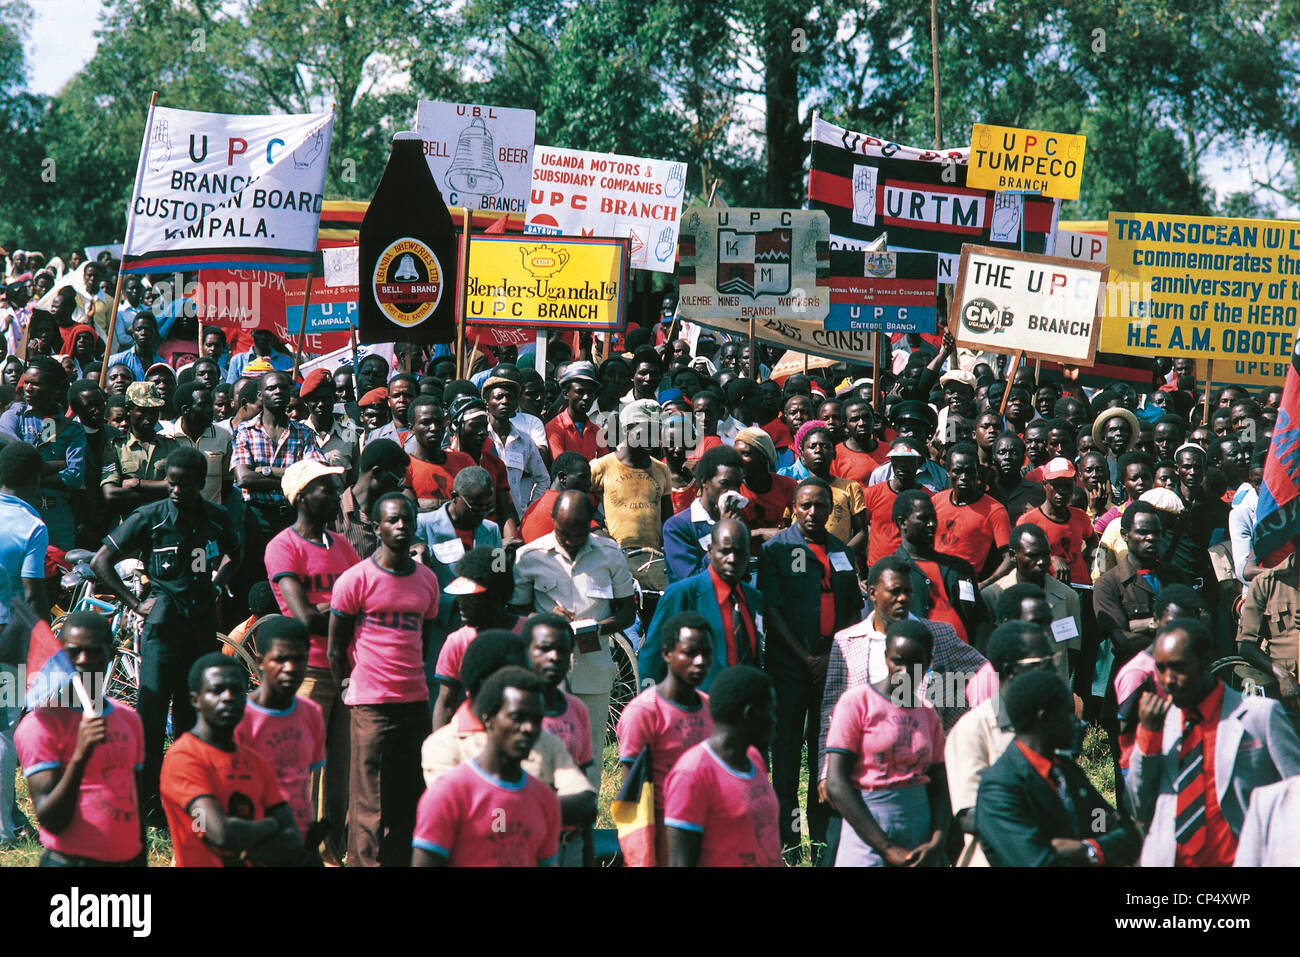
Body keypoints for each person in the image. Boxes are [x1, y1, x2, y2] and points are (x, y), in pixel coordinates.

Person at [92, 447, 241, 823]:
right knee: (152, 709)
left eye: (184, 484)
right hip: (163, 624)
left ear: (200, 483)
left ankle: (188, 799)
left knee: (193, 712)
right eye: (171, 482)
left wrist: (219, 586)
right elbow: (100, 561)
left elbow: (235, 553)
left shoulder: (217, 518)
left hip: (202, 624)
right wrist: (135, 603)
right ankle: (145, 804)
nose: (175, 490)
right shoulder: (151, 517)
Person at [1127, 618, 1300, 866]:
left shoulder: (1259, 716)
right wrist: (1147, 739)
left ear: (1205, 660)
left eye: (1178, 667)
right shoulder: (1160, 724)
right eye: (1161, 668)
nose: (1167, 680)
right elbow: (1138, 806)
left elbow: (1296, 795)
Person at [327, 492, 441, 866]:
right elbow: (335, 648)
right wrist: (349, 686)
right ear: (376, 528)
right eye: (392, 520)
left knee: (409, 796)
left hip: (414, 703)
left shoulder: (426, 580)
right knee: (369, 803)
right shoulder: (355, 580)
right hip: (371, 706)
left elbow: (422, 643)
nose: (402, 526)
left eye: (407, 519)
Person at [759, 478, 862, 862]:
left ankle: (820, 844)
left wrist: (832, 654)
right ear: (794, 508)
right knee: (785, 758)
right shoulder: (776, 550)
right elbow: (772, 611)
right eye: (806, 506)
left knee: (825, 756)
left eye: (821, 506)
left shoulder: (840, 551)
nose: (813, 513)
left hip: (832, 668)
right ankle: (787, 846)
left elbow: (852, 607)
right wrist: (805, 657)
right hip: (789, 667)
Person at [263, 458, 360, 864]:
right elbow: (303, 619)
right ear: (301, 496)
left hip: (350, 670)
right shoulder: (282, 546)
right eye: (326, 487)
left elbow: (364, 603)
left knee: (341, 773)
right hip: (309, 670)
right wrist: (343, 610)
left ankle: (333, 850)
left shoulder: (343, 545)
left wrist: (332, 609)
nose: (336, 494)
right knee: (309, 772)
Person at [510, 489, 634, 789]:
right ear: (553, 521)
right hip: (544, 674)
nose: (570, 540)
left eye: (578, 533)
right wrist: (545, 620)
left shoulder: (609, 554)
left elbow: (627, 612)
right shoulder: (529, 557)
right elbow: (516, 613)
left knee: (587, 754)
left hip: (594, 668)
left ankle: (584, 828)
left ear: (590, 524)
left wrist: (599, 628)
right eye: (564, 532)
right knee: (542, 753)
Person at [15, 612, 144, 866]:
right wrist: (80, 756)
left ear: (110, 654)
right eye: (74, 653)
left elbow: (135, 804)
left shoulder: (129, 719)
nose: (84, 660)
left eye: (94, 651)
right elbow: (51, 820)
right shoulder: (39, 726)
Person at [974, 669, 1141, 866]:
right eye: (1069, 713)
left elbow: (1127, 834)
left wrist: (1085, 849)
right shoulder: (1001, 787)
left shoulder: (1066, 771)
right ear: (1044, 717)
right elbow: (1036, 861)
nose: (1079, 722)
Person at [824, 619, 949, 867]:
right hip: (868, 835)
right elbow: (836, 783)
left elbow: (940, 785)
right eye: (897, 661)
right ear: (886, 657)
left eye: (914, 663)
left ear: (928, 662)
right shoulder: (856, 703)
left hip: (919, 837)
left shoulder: (926, 712)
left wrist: (937, 841)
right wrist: (886, 847)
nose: (904, 671)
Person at [160, 653, 302, 866]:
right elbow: (222, 835)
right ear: (195, 699)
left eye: (236, 690)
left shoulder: (255, 761)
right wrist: (271, 826)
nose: (227, 697)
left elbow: (293, 839)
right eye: (216, 690)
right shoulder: (184, 756)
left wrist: (245, 845)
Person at [412, 667, 561, 867]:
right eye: (517, 717)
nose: (529, 728)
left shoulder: (546, 800)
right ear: (488, 718)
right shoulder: (448, 794)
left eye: (536, 719)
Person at [945, 621, 1057, 867]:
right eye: (1041, 664)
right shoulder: (972, 730)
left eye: (1053, 662)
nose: (1052, 672)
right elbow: (970, 817)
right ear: (1009, 672)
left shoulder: (1048, 721)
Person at [617, 611, 714, 866]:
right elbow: (632, 797)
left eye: (706, 653)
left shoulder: (711, 710)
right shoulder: (644, 713)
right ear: (667, 653)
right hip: (663, 840)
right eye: (690, 653)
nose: (700, 661)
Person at [664, 664, 781, 867]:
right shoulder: (692, 774)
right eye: (770, 712)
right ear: (749, 713)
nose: (774, 721)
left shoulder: (753, 759)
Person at [233, 616, 325, 857]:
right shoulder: (239, 719)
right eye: (280, 660)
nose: (290, 668)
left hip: (299, 837)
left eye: (298, 659)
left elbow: (305, 778)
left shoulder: (311, 713)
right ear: (261, 661)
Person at [641, 519, 763, 689]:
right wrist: (653, 705)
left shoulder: (753, 598)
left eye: (740, 552)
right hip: (696, 708)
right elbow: (652, 658)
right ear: (710, 551)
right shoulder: (683, 594)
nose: (732, 559)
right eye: (725, 551)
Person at [526, 614, 595, 866]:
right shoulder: (511, 711)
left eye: (563, 651)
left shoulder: (577, 709)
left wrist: (588, 851)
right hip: (527, 844)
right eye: (544, 649)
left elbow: (584, 782)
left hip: (571, 843)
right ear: (526, 652)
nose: (554, 657)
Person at [431, 546, 522, 728]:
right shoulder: (457, 642)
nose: (461, 606)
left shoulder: (530, 632)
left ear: (496, 596)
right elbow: (446, 704)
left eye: (471, 598)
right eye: (460, 597)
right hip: (476, 737)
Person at [0, 356, 86, 549]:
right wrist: (56, 466)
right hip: (20, 509)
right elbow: (14, 458)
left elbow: (74, 477)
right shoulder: (14, 416)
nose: (27, 388)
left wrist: (28, 473)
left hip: (57, 516)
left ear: (54, 390)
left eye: (35, 384)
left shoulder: (72, 429)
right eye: (26, 382)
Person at [981, 524, 1083, 685]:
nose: (1042, 562)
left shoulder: (1067, 597)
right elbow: (986, 654)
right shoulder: (993, 596)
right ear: (1013, 556)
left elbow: (1072, 650)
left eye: (1046, 554)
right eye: (1033, 555)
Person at [891, 489, 987, 645]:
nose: (931, 524)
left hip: (964, 662)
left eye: (933, 518)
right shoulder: (890, 572)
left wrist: (980, 661)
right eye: (923, 519)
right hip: (917, 664)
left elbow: (980, 619)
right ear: (903, 523)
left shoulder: (960, 568)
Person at [589, 400, 673, 549]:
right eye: (644, 432)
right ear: (627, 430)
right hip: (615, 554)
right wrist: (598, 531)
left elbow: (667, 520)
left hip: (653, 557)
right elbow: (576, 501)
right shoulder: (601, 466)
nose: (650, 439)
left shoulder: (662, 470)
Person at [662, 444, 745, 582]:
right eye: (725, 483)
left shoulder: (736, 519)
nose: (732, 491)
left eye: (737, 484)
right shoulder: (677, 527)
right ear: (705, 481)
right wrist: (722, 533)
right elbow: (690, 580)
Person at [933, 442, 1013, 585]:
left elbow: (1010, 558)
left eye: (969, 471)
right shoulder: (936, 501)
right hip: (932, 579)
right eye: (957, 471)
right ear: (948, 472)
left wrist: (986, 584)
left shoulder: (995, 510)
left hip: (965, 583)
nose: (964, 477)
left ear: (977, 472)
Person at [101, 382, 181, 520]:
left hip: (163, 525)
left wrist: (137, 484)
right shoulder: (115, 447)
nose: (150, 415)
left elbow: (177, 488)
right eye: (143, 409)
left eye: (154, 409)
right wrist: (160, 494)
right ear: (128, 410)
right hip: (129, 526)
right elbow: (111, 494)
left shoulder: (171, 446)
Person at [1016, 457, 1096, 587]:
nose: (1062, 491)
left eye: (1067, 485)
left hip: (1081, 586)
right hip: (1048, 589)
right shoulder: (1028, 521)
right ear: (1044, 484)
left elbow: (1093, 540)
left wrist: (1090, 564)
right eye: (1056, 485)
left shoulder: (1080, 517)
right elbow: (1019, 557)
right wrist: (1051, 559)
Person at [482, 368, 548, 515]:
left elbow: (543, 479)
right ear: (487, 402)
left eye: (510, 397)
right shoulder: (480, 437)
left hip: (516, 517)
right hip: (486, 519)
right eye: (499, 397)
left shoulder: (524, 441)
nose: (504, 401)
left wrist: (531, 510)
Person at [333, 437, 408, 558]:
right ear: (376, 473)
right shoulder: (334, 516)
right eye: (398, 481)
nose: (401, 489)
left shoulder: (395, 518)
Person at [160, 381, 232, 506]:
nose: (210, 410)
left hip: (210, 518)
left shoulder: (223, 436)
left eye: (210, 404)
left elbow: (226, 483)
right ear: (186, 410)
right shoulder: (165, 438)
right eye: (203, 405)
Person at [861, 439, 929, 569]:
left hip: (915, 570)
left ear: (918, 462)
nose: (903, 465)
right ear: (891, 462)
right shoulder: (871, 494)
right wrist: (862, 573)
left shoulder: (929, 498)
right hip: (878, 569)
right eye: (898, 460)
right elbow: (860, 532)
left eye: (908, 460)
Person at [402, 395, 472, 512]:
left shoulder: (463, 462)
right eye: (426, 423)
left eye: (438, 422)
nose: (434, 428)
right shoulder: (405, 468)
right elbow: (408, 512)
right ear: (411, 428)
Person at [300, 369, 360, 481]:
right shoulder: (297, 433)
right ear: (306, 402)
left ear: (334, 399)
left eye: (326, 399)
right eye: (315, 400)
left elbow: (354, 479)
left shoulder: (349, 435)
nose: (321, 404)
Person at [734, 425, 796, 532]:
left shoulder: (787, 485)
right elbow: (730, 535)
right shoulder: (731, 489)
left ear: (763, 457)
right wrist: (760, 533)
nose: (738, 460)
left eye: (746, 454)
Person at [520, 451, 592, 543]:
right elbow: (602, 538)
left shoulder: (539, 504)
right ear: (563, 478)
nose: (589, 484)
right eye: (583, 477)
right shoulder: (567, 507)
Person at [546, 361, 606, 460]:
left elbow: (605, 465)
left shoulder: (595, 431)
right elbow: (562, 465)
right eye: (580, 392)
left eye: (590, 392)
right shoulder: (555, 428)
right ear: (565, 394)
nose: (586, 397)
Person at [987, 432, 1045, 523]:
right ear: (993, 458)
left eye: (1014, 452)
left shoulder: (1039, 492)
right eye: (1002, 452)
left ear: (1023, 458)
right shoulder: (987, 493)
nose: (1007, 457)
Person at [831, 397, 884, 484]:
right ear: (845, 427)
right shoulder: (834, 455)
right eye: (855, 419)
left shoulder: (888, 451)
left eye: (866, 417)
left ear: (874, 420)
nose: (862, 423)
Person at [106, 312, 166, 382]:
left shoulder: (161, 364)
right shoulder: (116, 360)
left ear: (155, 333)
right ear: (133, 334)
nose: (143, 332)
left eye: (147, 329)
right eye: (138, 329)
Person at [224, 329, 294, 384]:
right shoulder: (238, 360)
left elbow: (294, 387)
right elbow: (231, 388)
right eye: (260, 333)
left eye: (267, 333)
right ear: (252, 333)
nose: (264, 337)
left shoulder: (285, 360)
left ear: (273, 336)